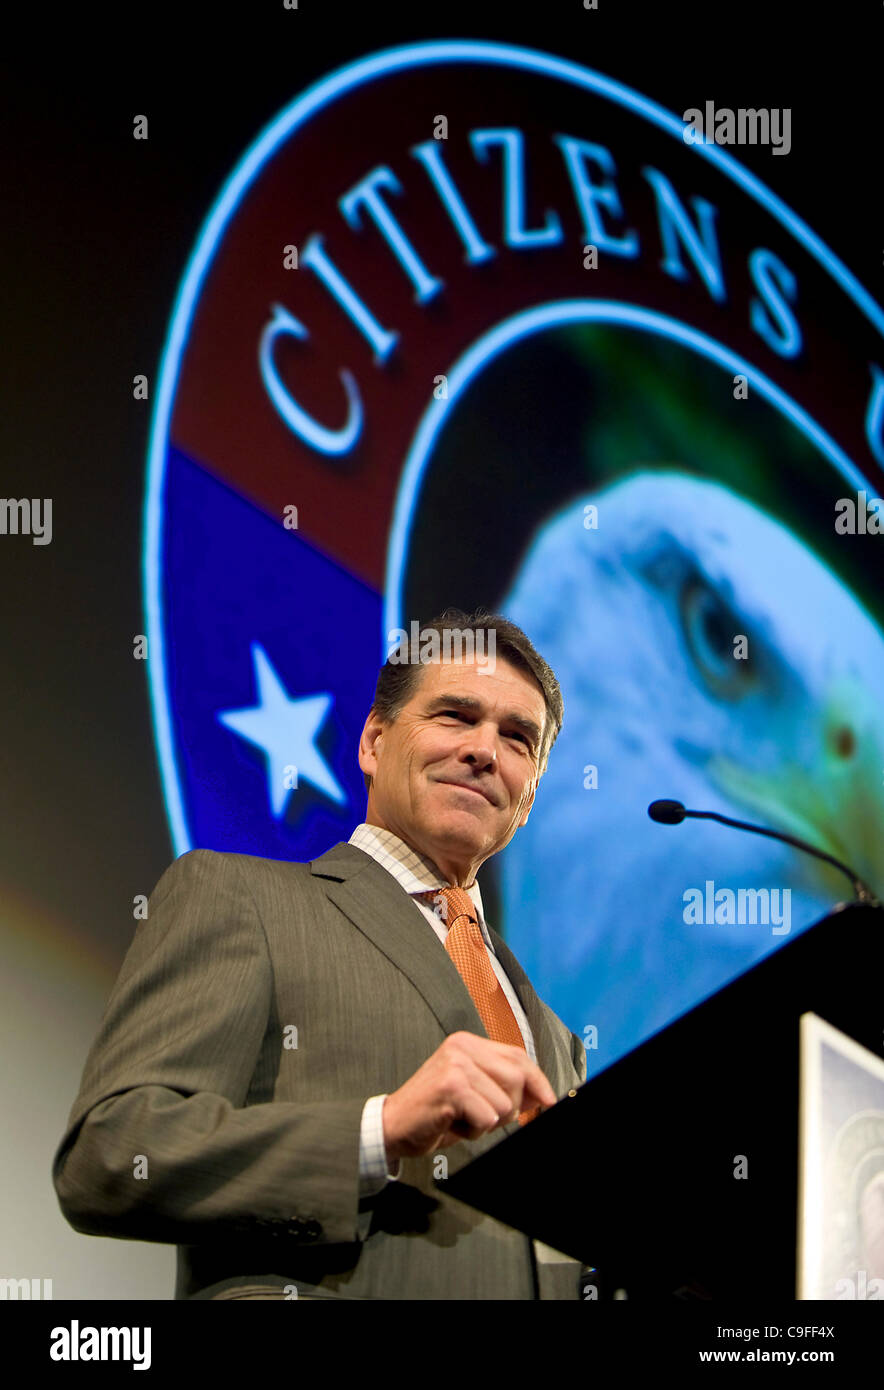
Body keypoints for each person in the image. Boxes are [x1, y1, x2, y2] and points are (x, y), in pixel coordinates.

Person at [52, 609, 587, 1299]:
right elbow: (112, 1154)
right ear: (373, 741)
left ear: (531, 791)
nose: (485, 749)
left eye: (517, 738)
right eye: (456, 716)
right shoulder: (241, 899)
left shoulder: (559, 1038)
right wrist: (380, 1129)